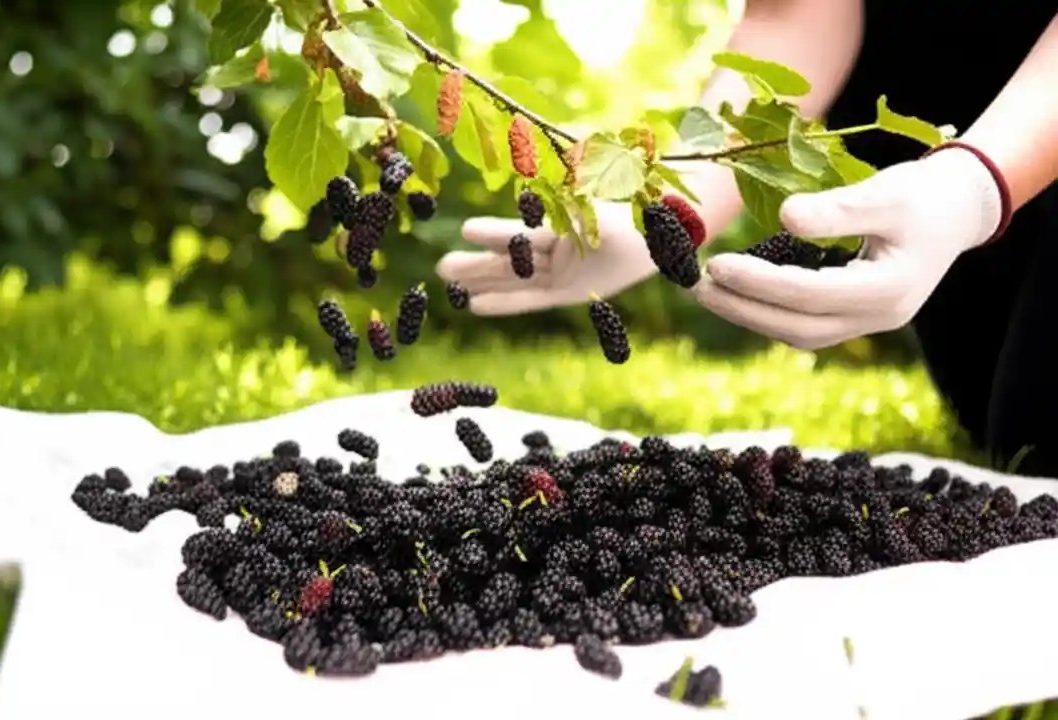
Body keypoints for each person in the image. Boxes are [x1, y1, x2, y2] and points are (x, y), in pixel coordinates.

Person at [436, 1, 1058, 476]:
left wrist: (974, 186)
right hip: (952, 123)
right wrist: (667, 212)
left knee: (1040, 432)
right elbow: (793, 15)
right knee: (1012, 425)